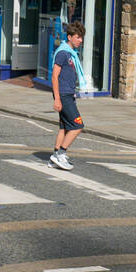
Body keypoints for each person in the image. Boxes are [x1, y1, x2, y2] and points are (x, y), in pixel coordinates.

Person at [50, 21, 86, 170]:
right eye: (78, 37)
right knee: (78, 126)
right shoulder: (63, 53)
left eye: (81, 37)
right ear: (70, 37)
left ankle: (55, 157)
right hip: (63, 95)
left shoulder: (71, 54)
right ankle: (60, 154)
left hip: (68, 94)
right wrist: (57, 99)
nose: (81, 40)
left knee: (64, 128)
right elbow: (54, 76)